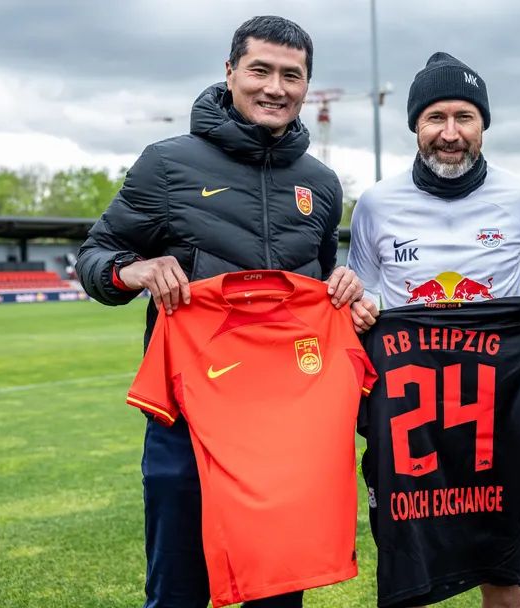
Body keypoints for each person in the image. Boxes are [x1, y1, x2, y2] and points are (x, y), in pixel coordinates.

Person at [76, 16, 362, 608]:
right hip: (187, 419)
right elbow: (96, 255)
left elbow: (320, 275)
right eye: (260, 70)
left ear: (307, 85)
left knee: (276, 592)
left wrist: (343, 289)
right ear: (230, 72)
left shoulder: (322, 183)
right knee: (179, 591)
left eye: (292, 75)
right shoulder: (167, 164)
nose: (275, 88)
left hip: (287, 429)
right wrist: (133, 271)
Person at [347, 52, 520, 608]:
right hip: (408, 409)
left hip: (497, 401)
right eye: (435, 118)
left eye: (465, 118)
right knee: (407, 550)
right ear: (415, 126)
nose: (451, 133)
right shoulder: (376, 203)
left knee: (501, 556)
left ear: (484, 125)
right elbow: (362, 287)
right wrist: (361, 309)